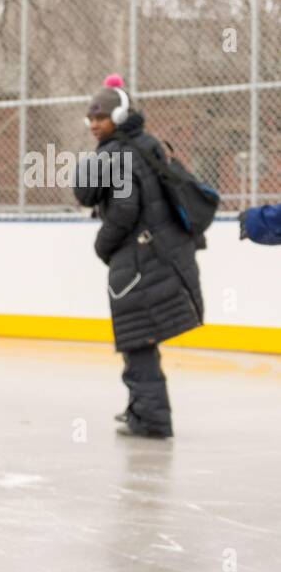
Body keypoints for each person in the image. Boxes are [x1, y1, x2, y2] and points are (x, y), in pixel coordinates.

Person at [73, 75, 203, 439]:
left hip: (139, 259)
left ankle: (151, 419)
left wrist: (102, 246)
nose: (94, 125)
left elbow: (124, 207)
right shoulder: (144, 144)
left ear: (119, 115)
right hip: (158, 252)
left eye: (101, 118)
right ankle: (144, 410)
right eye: (90, 119)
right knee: (140, 336)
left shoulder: (117, 154)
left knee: (138, 337)